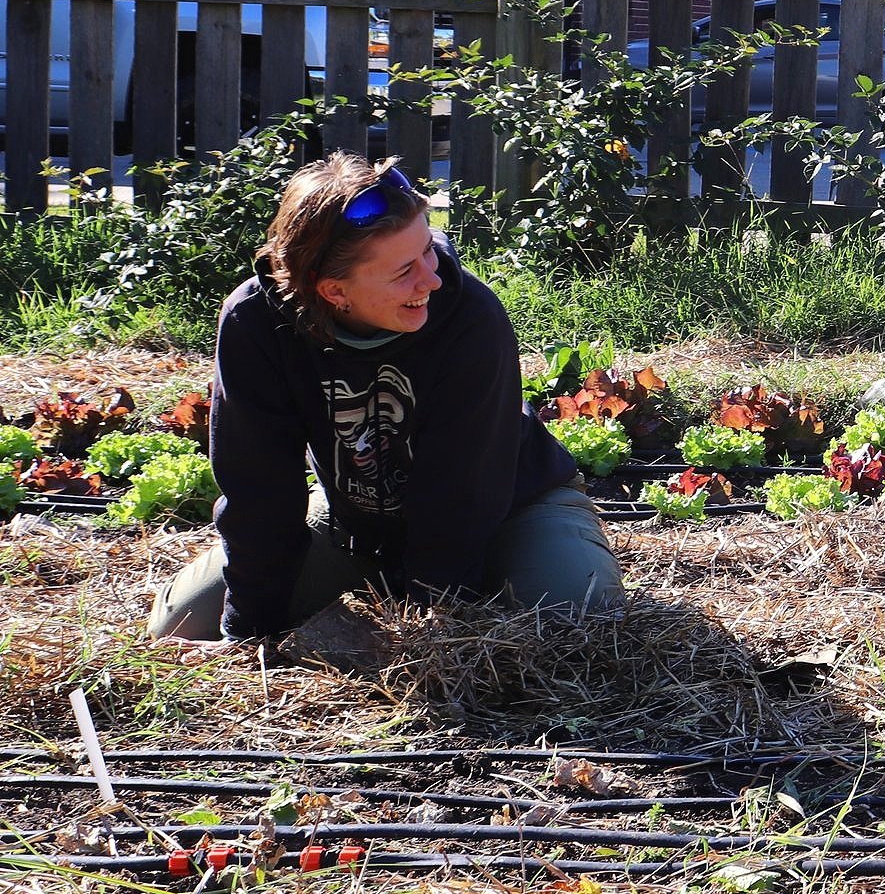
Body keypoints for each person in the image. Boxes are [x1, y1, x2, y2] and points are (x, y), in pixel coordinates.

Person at [149, 154, 622, 644]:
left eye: (428, 252)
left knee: (578, 625)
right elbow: (256, 483)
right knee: (179, 625)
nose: (432, 279)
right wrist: (250, 631)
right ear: (333, 291)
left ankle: (523, 565)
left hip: (510, 509)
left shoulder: (469, 318)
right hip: (359, 521)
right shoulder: (255, 323)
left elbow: (462, 496)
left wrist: (432, 632)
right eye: (403, 272)